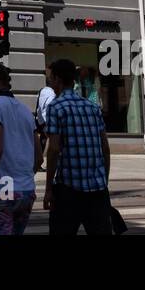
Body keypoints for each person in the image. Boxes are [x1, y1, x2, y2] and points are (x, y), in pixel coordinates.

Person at [43, 59, 112, 235]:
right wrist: (104, 181)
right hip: (97, 191)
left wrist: (49, 189)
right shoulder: (92, 107)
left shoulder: (55, 107)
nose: (50, 83)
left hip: (68, 191)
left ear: (58, 79)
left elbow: (53, 150)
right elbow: (105, 148)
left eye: (50, 79)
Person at [0, 61, 40, 235]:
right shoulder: (26, 111)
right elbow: (39, 157)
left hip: (4, 187)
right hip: (27, 190)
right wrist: (24, 177)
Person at [35, 65, 57, 159]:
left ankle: (40, 159)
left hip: (41, 121)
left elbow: (39, 107)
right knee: (49, 141)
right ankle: (44, 161)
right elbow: (48, 107)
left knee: (43, 140)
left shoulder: (42, 91)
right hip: (47, 121)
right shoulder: (51, 93)